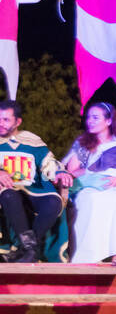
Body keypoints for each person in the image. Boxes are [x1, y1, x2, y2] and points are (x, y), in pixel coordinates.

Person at [61, 102, 116, 263]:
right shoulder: (84, 145)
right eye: (89, 117)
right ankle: (87, 256)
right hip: (89, 186)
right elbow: (72, 171)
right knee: (91, 199)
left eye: (95, 118)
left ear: (108, 121)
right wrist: (92, 172)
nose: (90, 121)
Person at [0, 99, 73, 262]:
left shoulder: (32, 140)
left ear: (18, 121)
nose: (1, 123)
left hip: (33, 189)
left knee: (54, 202)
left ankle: (25, 250)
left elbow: (48, 162)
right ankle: (30, 251)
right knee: (9, 196)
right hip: (7, 190)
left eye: (6, 119)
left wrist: (60, 173)